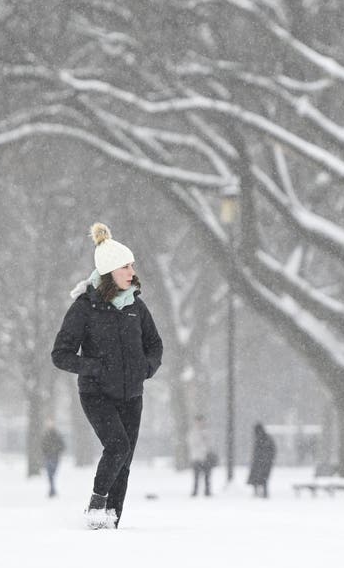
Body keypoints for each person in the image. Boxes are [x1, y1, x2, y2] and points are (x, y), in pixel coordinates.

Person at [52, 222, 163, 529]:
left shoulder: (136, 306)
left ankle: (111, 520)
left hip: (132, 395)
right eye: (126, 266)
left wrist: (145, 369)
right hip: (96, 393)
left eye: (132, 265)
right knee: (117, 447)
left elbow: (155, 345)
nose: (132, 272)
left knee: (124, 461)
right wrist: (95, 368)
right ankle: (97, 505)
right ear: (109, 271)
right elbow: (60, 354)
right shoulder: (84, 307)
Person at [247, 422, 277, 499]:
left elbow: (271, 451)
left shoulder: (265, 439)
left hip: (263, 463)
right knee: (259, 479)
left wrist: (265, 459)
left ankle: (262, 494)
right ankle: (258, 493)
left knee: (262, 479)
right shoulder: (261, 439)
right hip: (260, 463)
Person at [187, 415, 214, 498]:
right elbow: (192, 443)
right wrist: (202, 442)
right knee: (196, 476)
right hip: (197, 458)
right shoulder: (193, 432)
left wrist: (206, 445)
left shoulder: (207, 431)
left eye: (202, 421)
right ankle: (195, 491)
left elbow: (211, 443)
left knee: (207, 476)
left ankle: (207, 491)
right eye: (198, 421)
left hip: (206, 457)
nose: (200, 423)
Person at [40, 419, 65, 498]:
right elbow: (42, 446)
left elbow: (62, 446)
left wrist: (57, 451)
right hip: (48, 457)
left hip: (55, 457)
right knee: (50, 474)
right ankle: (52, 490)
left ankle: (52, 490)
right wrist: (46, 452)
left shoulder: (57, 435)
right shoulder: (45, 435)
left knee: (52, 474)